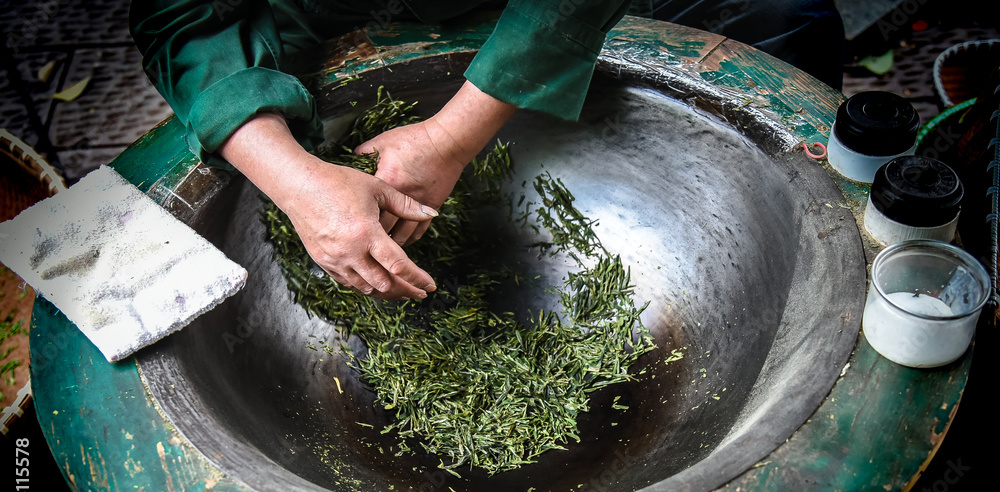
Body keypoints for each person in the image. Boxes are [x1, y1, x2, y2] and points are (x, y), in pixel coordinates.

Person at [129, 1, 843, 300]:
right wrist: (297, 182)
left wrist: (452, 134)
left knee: (783, 18)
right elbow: (179, 14)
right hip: (340, 20)